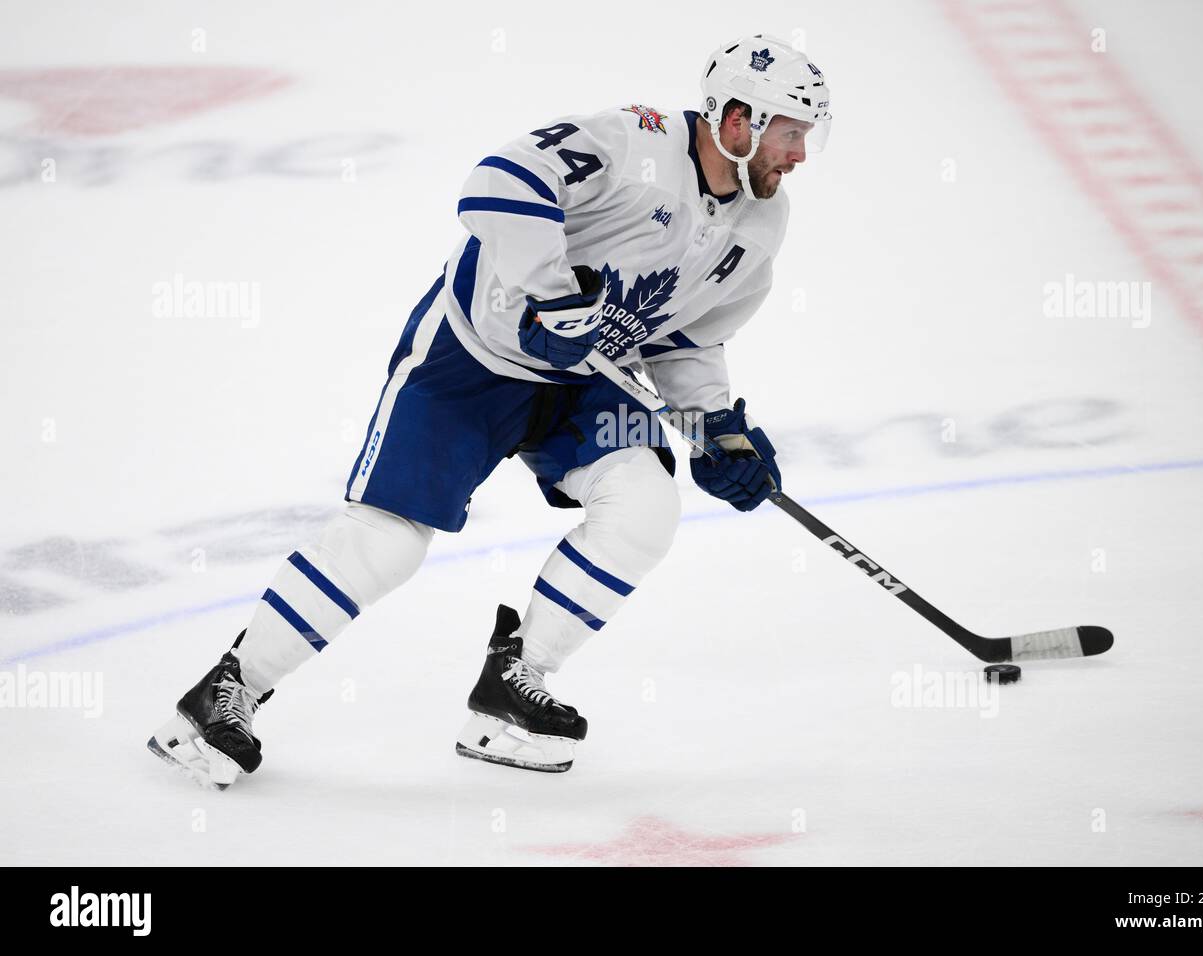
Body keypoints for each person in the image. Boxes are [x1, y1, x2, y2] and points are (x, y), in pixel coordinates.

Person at [148, 34, 832, 785]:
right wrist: (552, 290)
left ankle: (512, 687)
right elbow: (496, 182)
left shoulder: (762, 223)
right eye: (791, 134)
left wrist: (713, 429)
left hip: (581, 385)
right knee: (388, 543)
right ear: (737, 119)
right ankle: (225, 692)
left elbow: (686, 339)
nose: (799, 155)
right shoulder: (635, 143)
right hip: (468, 362)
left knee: (645, 503)